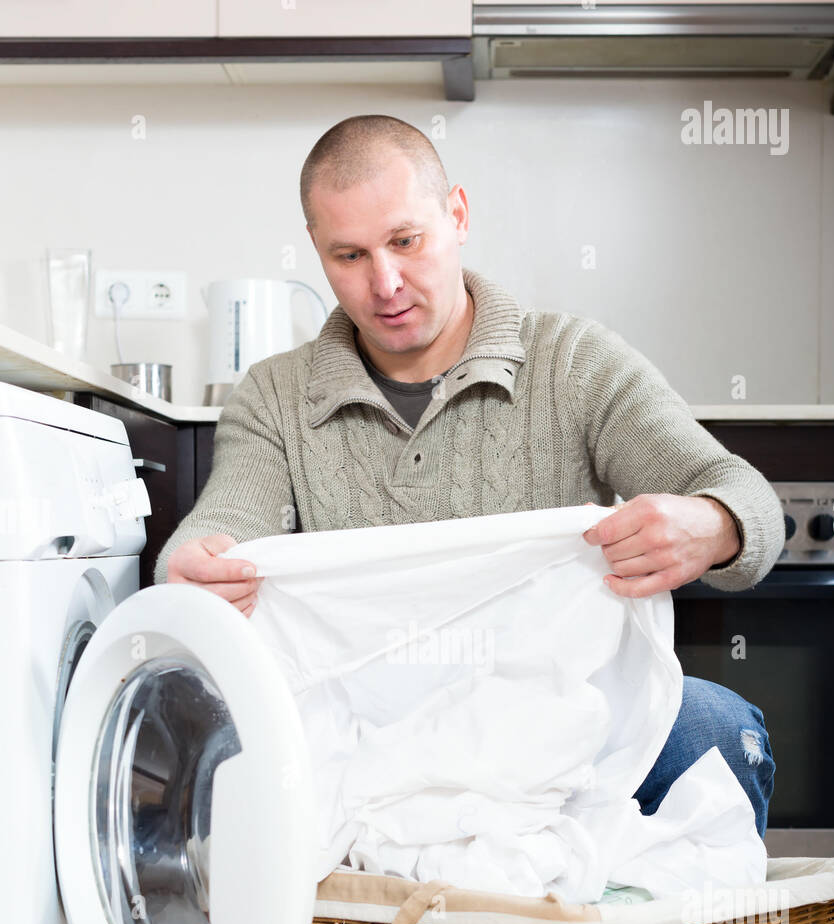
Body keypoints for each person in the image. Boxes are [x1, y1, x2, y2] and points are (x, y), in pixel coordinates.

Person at [154, 114, 783, 836]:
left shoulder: (573, 362)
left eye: (404, 241)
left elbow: (743, 499)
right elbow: (224, 523)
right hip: (366, 733)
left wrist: (715, 526)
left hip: (560, 720)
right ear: (317, 253)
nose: (383, 283)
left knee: (715, 725)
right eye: (349, 255)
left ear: (456, 214)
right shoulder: (273, 396)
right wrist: (191, 568)